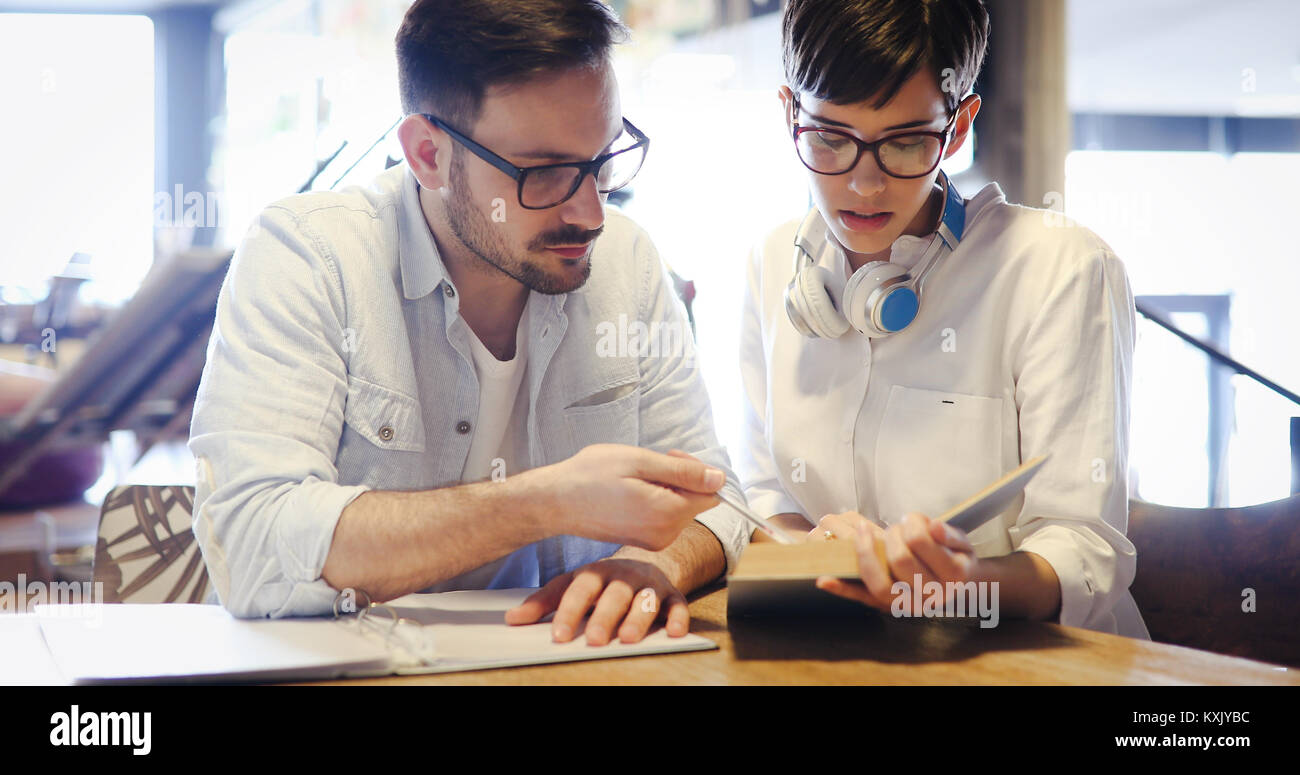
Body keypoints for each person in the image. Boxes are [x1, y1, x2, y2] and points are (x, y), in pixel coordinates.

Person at [188, 0, 748, 645]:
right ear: (427, 153)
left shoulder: (627, 260)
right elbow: (252, 544)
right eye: (545, 172)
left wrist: (651, 566)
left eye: (602, 159)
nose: (592, 211)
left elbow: (719, 497)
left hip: (572, 664)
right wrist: (545, 501)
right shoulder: (309, 256)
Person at [738, 0, 1148, 637]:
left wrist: (955, 587)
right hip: (844, 653)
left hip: (1032, 662)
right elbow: (764, 496)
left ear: (957, 129)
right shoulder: (772, 263)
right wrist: (817, 552)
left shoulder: (1060, 269)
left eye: (905, 143)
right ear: (791, 113)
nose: (865, 185)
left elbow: (1084, 550)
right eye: (830, 138)